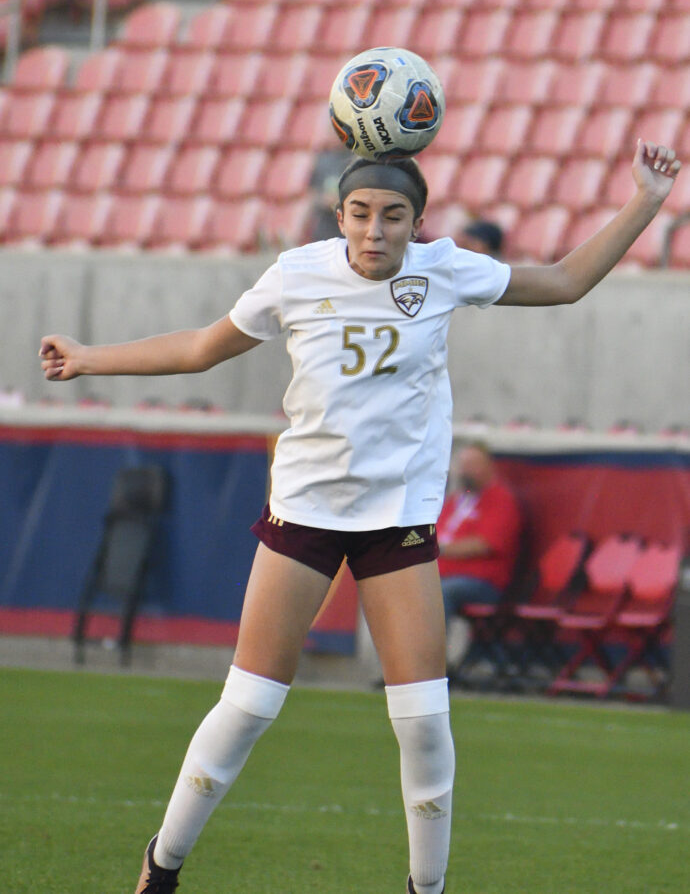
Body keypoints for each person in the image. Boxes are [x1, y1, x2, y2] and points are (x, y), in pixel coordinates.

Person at [38, 139, 680, 894]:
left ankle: (425, 889)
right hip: (305, 515)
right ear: (339, 216)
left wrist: (646, 200)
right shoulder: (297, 274)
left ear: (418, 222)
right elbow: (202, 348)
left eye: (394, 215)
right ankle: (162, 867)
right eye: (362, 213)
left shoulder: (443, 270)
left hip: (396, 523)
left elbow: (566, 282)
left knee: (424, 724)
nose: (376, 230)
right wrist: (88, 357)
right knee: (248, 706)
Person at [436, 442, 523, 669]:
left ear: (489, 467)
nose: (465, 471)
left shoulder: (501, 500)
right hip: (441, 573)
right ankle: (400, 663)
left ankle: (433, 664)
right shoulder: (456, 501)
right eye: (463, 465)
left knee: (438, 592)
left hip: (482, 583)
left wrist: (438, 549)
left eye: (472, 465)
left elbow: (484, 545)